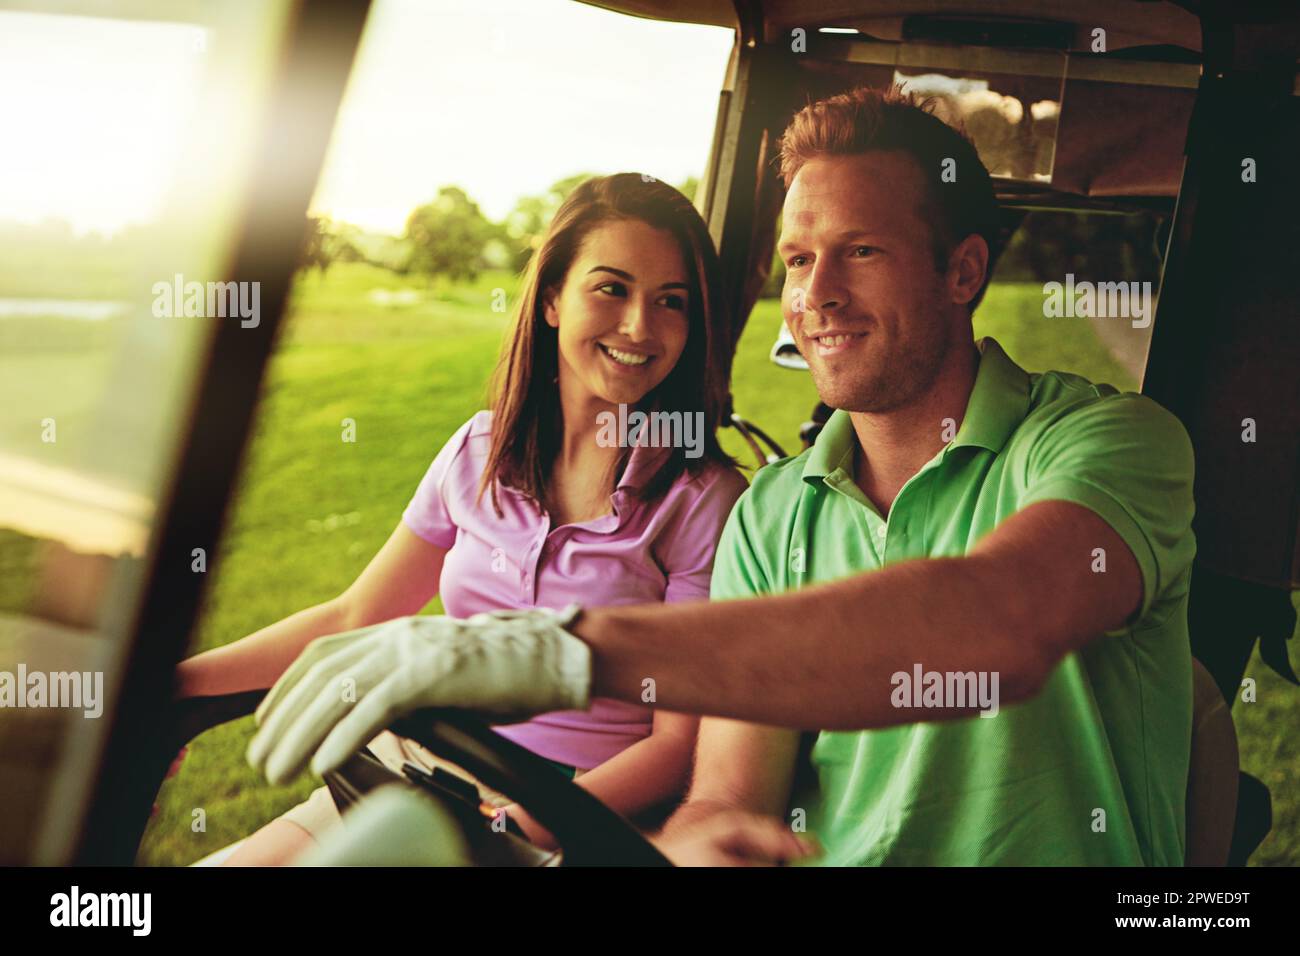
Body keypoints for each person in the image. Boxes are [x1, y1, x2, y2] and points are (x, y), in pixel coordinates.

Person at [249, 87, 1196, 866]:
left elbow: (994, 624)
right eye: (796, 259)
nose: (816, 294)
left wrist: (561, 648)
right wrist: (704, 842)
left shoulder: (1107, 444)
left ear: (962, 270)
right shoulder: (773, 516)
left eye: (859, 252)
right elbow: (725, 794)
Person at [180, 172, 748, 863]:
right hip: (415, 774)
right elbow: (356, 614)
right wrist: (171, 693)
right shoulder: (478, 450)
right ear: (550, 301)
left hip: (562, 826)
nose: (639, 325)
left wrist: (510, 826)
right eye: (611, 288)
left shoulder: (703, 501)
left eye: (672, 302)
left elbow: (674, 745)